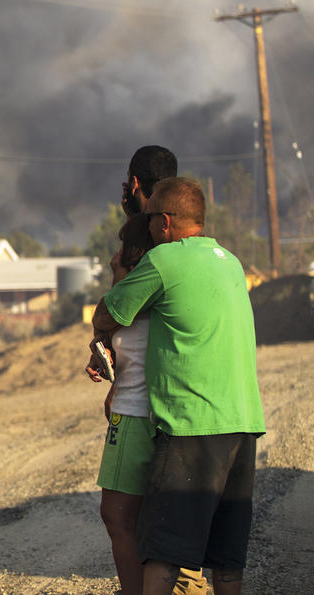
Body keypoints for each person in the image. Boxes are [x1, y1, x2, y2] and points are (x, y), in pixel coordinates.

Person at [93, 178, 266, 595]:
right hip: (243, 421)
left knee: (163, 554)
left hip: (192, 422)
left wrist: (119, 276)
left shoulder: (165, 260)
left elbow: (108, 314)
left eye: (152, 221)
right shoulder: (231, 260)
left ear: (165, 222)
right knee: (226, 561)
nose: (151, 230)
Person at [87, 145, 206, 595]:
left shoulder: (144, 243)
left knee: (119, 515)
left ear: (134, 185)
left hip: (140, 401)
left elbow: (115, 314)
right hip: (187, 402)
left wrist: (103, 339)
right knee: (167, 512)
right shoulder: (196, 247)